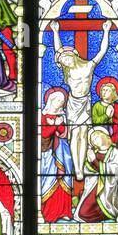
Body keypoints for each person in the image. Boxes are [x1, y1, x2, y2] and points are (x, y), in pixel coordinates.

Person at [51, 20, 112, 186]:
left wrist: (106, 31)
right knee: (74, 135)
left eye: (66, 58)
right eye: (62, 61)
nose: (65, 61)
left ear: (73, 55)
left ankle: (79, 169)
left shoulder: (88, 66)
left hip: (85, 102)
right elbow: (58, 50)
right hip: (73, 103)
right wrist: (55, 31)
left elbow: (102, 51)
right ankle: (77, 166)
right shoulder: (67, 71)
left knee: (83, 134)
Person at [40, 87, 75, 222]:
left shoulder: (62, 117)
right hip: (48, 153)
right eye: (57, 100)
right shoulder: (42, 116)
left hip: (63, 152)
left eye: (62, 100)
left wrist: (58, 125)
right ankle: (48, 212)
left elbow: (64, 134)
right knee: (49, 179)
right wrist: (54, 126)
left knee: (64, 179)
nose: (60, 103)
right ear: (50, 100)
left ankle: (64, 211)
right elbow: (43, 135)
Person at [76, 127, 118, 222]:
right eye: (93, 140)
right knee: (82, 213)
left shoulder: (114, 152)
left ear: (104, 136)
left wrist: (94, 161)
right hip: (94, 185)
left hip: (106, 189)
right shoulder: (94, 152)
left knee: (85, 212)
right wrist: (89, 162)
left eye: (96, 137)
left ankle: (108, 213)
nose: (95, 141)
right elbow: (87, 170)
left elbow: (114, 170)